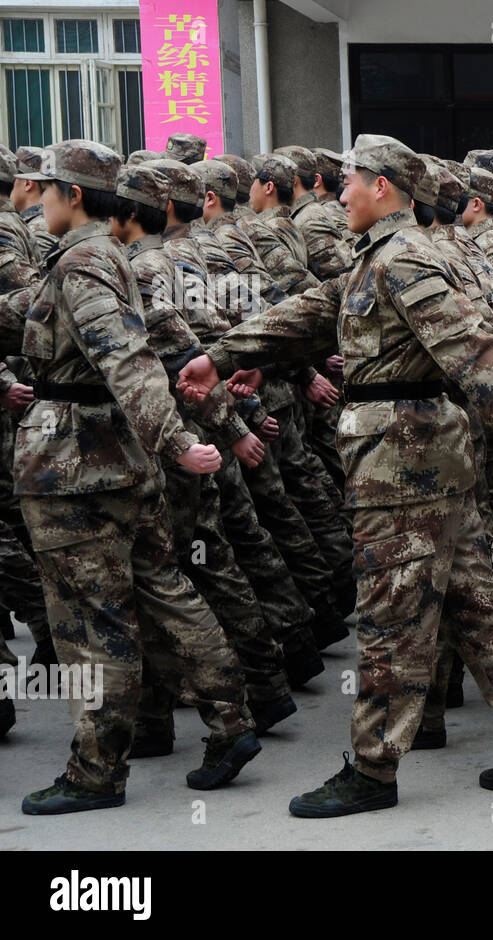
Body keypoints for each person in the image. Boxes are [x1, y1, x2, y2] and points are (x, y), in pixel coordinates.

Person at [178, 134, 493, 817]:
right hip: (412, 456)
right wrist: (226, 354)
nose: (341, 192)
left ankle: (372, 768)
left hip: (406, 461)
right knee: (469, 594)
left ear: (383, 186)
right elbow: (311, 313)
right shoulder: (379, 258)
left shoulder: (404, 260)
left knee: (390, 617)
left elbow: (471, 353)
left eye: (352, 181)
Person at [2, 140, 259, 814]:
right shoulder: (100, 257)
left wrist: (177, 442)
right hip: (115, 459)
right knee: (165, 591)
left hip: (78, 467)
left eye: (45, 188)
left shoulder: (85, 261)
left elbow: (128, 360)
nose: (36, 198)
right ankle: (232, 721)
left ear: (73, 196)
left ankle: (95, 771)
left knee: (92, 622)